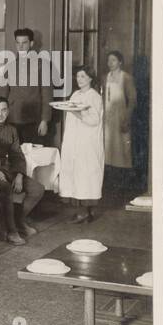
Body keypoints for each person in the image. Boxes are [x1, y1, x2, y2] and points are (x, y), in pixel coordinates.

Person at [0, 97, 44, 242]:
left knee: (37, 189)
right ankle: (12, 232)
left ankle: (18, 221)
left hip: (9, 170)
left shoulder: (11, 130)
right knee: (6, 188)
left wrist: (19, 175)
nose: (0, 114)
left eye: (3, 110)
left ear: (8, 111)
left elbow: (17, 155)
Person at [58, 64, 106, 223]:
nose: (79, 79)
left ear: (91, 78)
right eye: (78, 76)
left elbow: (94, 120)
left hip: (87, 142)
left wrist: (77, 114)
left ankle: (85, 211)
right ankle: (83, 211)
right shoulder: (75, 95)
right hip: (74, 140)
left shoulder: (94, 96)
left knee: (86, 175)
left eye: (83, 76)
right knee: (75, 174)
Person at [0, 28, 55, 145]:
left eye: (24, 43)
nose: (21, 46)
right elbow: (4, 94)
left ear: (31, 43)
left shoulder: (42, 65)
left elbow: (47, 95)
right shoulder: (10, 65)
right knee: (14, 155)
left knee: (32, 155)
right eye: (18, 43)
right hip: (13, 118)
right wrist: (2, 117)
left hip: (33, 119)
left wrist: (45, 120)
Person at [102, 50, 138, 188]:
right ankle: (110, 181)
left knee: (122, 149)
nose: (110, 63)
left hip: (121, 117)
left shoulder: (126, 78)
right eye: (109, 60)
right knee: (108, 147)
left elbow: (133, 100)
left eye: (113, 60)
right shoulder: (105, 77)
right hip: (107, 117)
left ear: (120, 62)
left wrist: (127, 118)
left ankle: (123, 182)